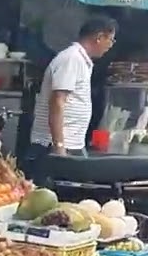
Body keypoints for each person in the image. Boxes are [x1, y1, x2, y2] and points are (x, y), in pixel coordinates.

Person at [25, 15, 117, 171]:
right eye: (111, 40)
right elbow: (57, 101)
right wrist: (59, 147)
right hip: (54, 145)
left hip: (72, 143)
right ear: (99, 37)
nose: (111, 45)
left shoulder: (81, 59)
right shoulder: (71, 58)